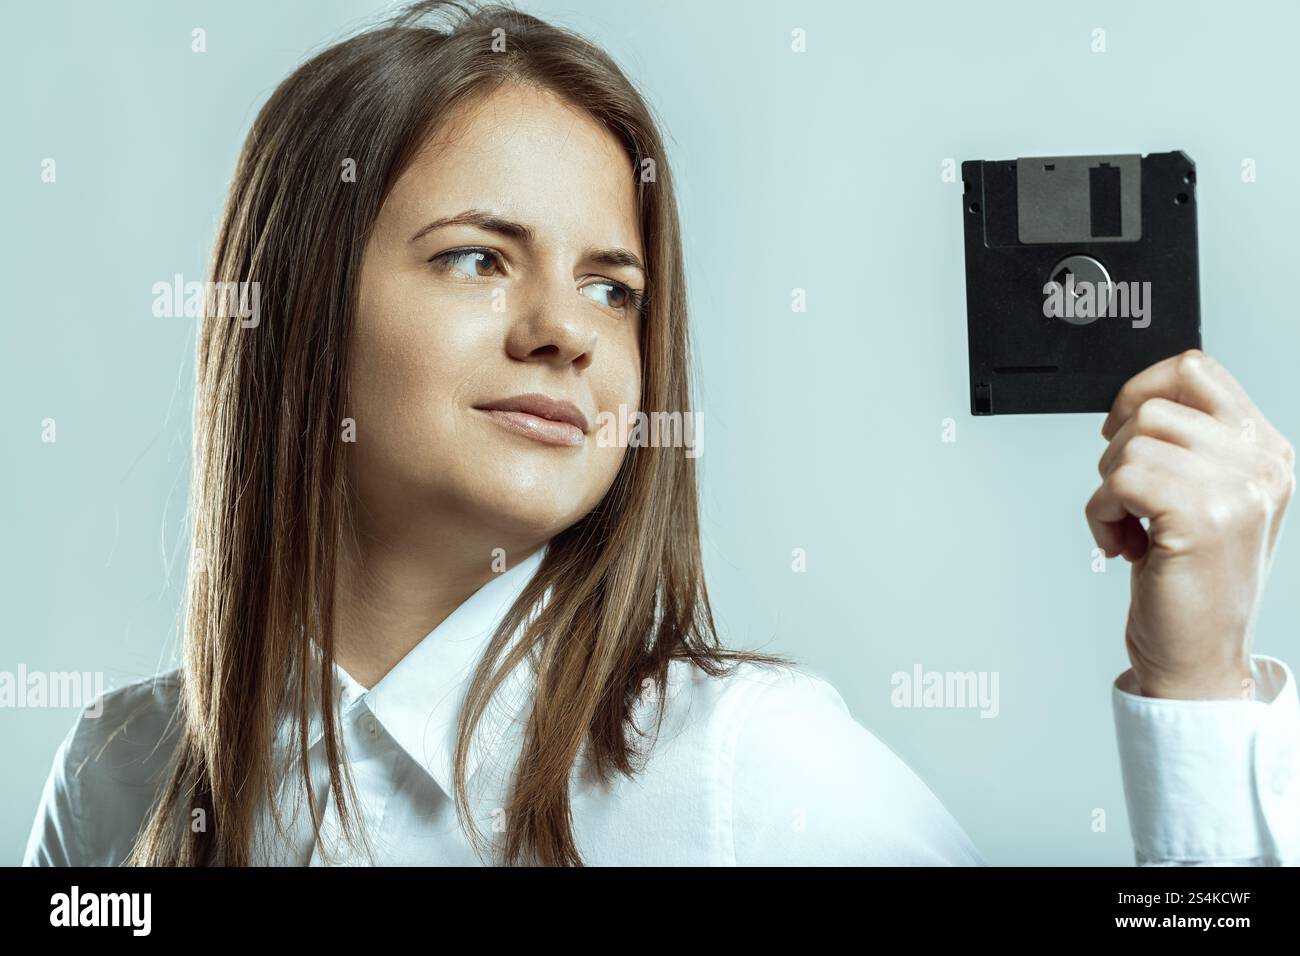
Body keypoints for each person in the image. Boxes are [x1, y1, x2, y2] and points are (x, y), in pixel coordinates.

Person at [22, 0, 1299, 867]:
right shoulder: (117, 771)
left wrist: (1195, 684)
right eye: (477, 258)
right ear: (293, 308)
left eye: (613, 287)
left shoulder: (759, 768)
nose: (565, 334)